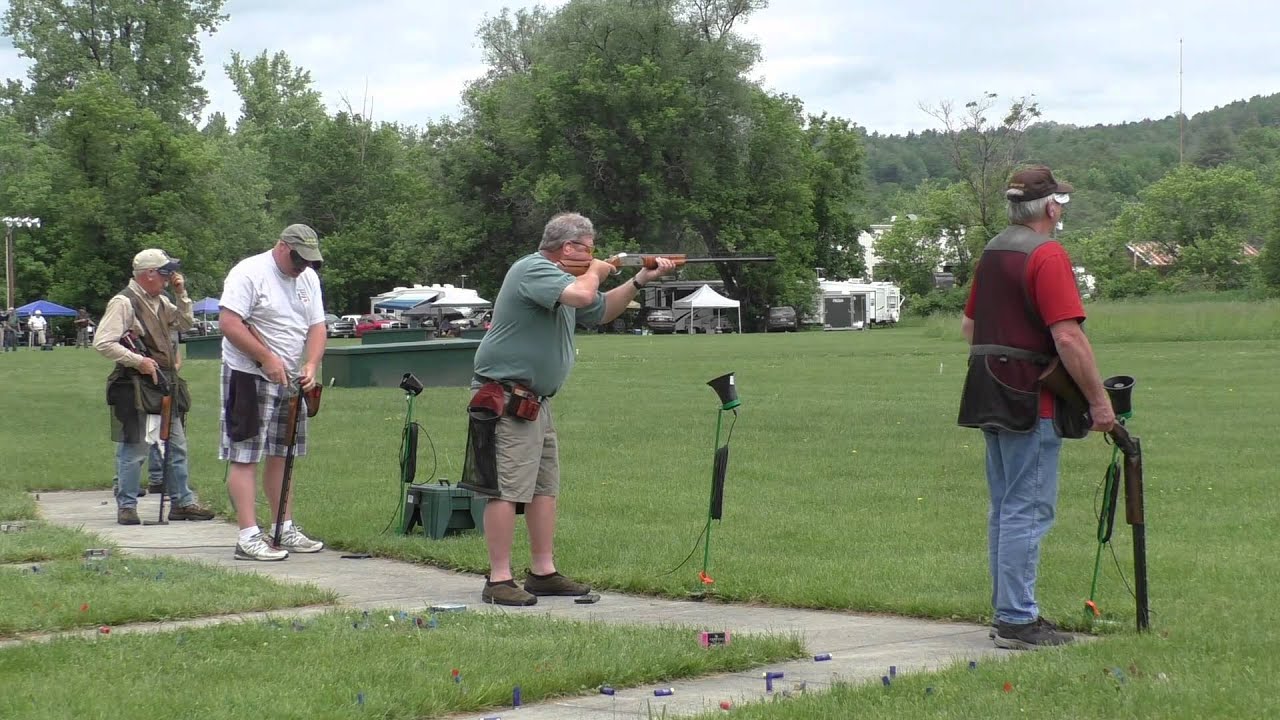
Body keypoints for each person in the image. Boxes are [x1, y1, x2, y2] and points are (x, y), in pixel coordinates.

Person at [465, 212, 677, 606]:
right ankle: (498, 579)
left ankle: (543, 572)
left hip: (535, 402)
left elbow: (599, 311)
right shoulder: (534, 270)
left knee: (544, 489)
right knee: (505, 489)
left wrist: (637, 280)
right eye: (587, 248)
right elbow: (584, 294)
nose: (593, 255)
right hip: (507, 398)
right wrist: (596, 271)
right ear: (568, 248)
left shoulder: (564, 280)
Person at [957, 165, 1115, 650]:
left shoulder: (993, 251)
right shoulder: (1046, 254)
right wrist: (1099, 401)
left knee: (1006, 507)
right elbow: (1068, 335)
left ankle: (1009, 613)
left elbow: (969, 328)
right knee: (1027, 509)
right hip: (1031, 397)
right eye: (1060, 202)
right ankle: (1017, 620)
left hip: (988, 390)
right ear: (1050, 208)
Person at [217, 224, 327, 562]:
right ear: (281, 247)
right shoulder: (248, 272)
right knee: (246, 453)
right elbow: (230, 323)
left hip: (290, 377)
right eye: (298, 259)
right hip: (248, 374)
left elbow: (317, 327)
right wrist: (265, 357)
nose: (302, 266)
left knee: (284, 452)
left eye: (309, 260)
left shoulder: (308, 278)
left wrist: (310, 364)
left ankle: (284, 526)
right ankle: (248, 535)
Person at [94, 249, 215, 525]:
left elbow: (185, 322)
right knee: (134, 447)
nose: (169, 276)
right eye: (165, 272)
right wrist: (138, 361)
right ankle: (126, 506)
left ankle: (182, 502)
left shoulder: (160, 300)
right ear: (149, 274)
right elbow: (103, 342)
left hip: (164, 383)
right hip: (135, 384)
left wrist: (181, 295)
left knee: (177, 446)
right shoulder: (123, 302)